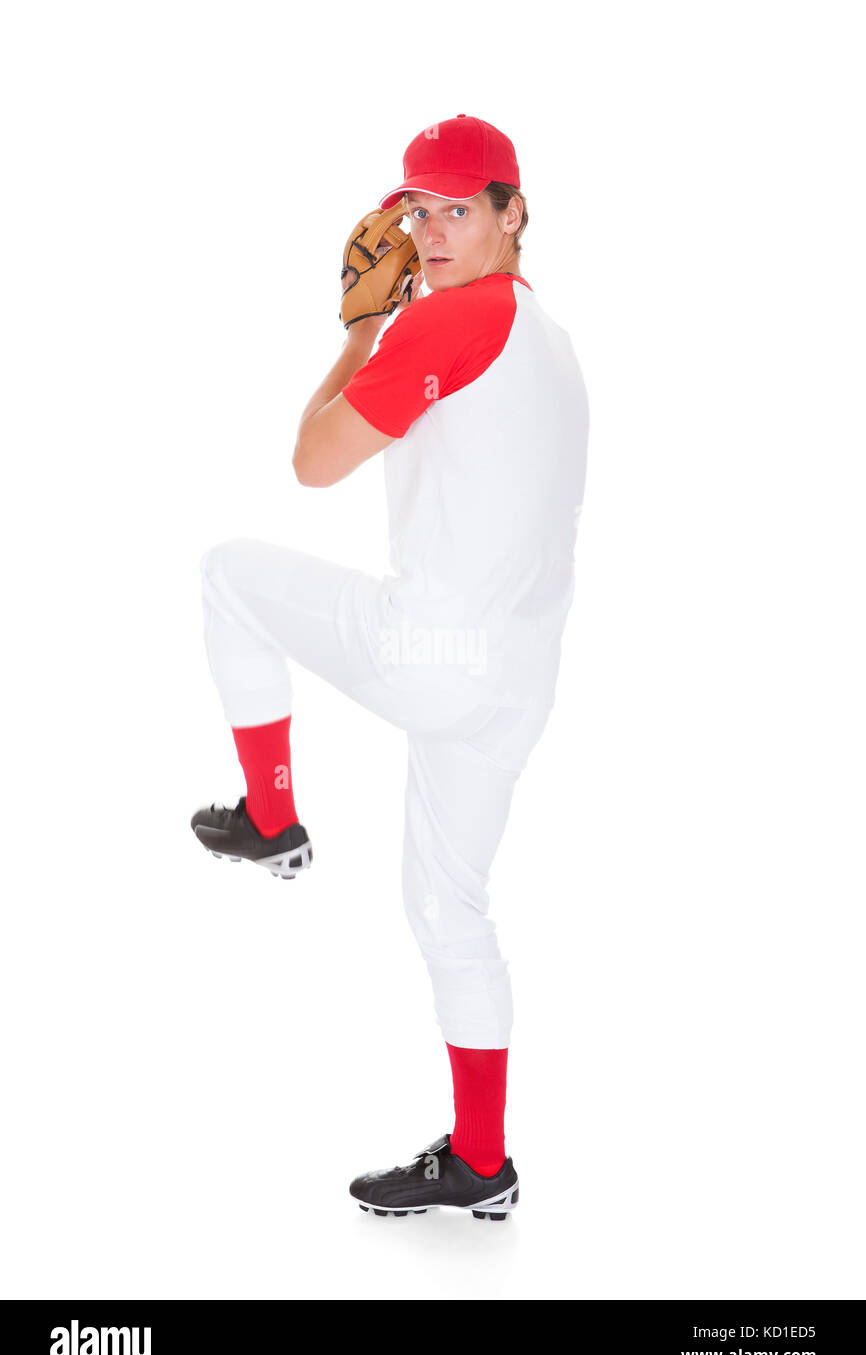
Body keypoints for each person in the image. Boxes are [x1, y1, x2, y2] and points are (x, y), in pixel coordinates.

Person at [191, 114, 589, 1220]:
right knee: (448, 909)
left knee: (228, 573)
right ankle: (479, 1160)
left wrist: (360, 331)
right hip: (515, 681)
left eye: (458, 208)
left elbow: (312, 461)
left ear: (513, 212)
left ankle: (270, 820)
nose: (431, 230)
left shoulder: (450, 320)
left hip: (426, 653)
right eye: (417, 209)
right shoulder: (548, 337)